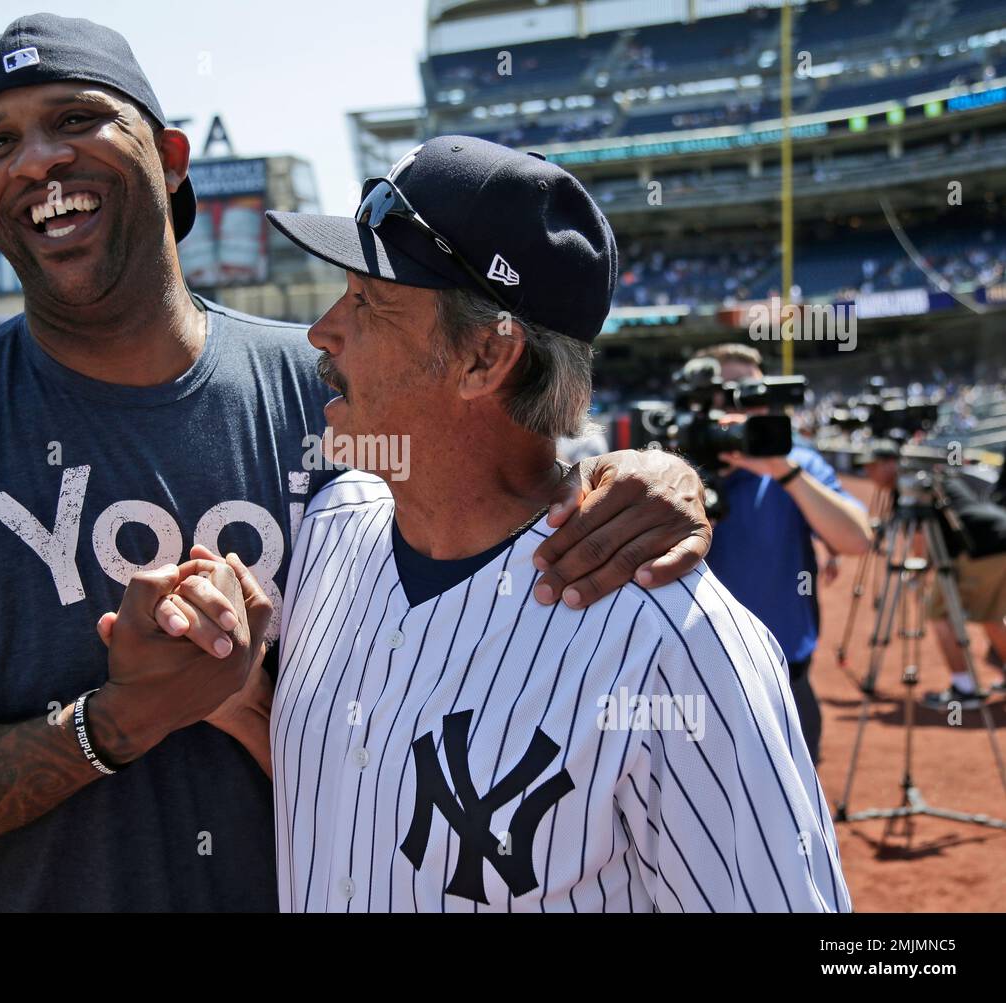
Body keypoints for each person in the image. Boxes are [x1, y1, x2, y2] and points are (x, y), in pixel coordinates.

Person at [0, 14, 711, 912]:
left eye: (75, 118)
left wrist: (646, 477)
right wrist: (113, 723)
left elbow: (515, 479)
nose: (35, 159)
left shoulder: (341, 390)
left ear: (173, 156)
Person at [255, 136, 847, 911]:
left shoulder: (679, 637)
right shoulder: (333, 526)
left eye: (368, 300)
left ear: (485, 358)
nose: (322, 330)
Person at [695, 344, 872, 764]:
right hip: (695, 677)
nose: (747, 404)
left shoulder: (798, 462)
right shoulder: (672, 467)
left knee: (795, 815)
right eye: (732, 391)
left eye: (755, 392)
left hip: (785, 674)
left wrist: (782, 470)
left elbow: (857, 540)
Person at [861, 443, 1006, 709]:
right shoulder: (934, 478)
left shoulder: (911, 490)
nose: (869, 473)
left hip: (978, 549)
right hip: (995, 538)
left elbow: (919, 541)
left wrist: (917, 578)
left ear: (891, 464)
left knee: (939, 613)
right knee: (991, 615)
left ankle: (965, 688)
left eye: (873, 466)